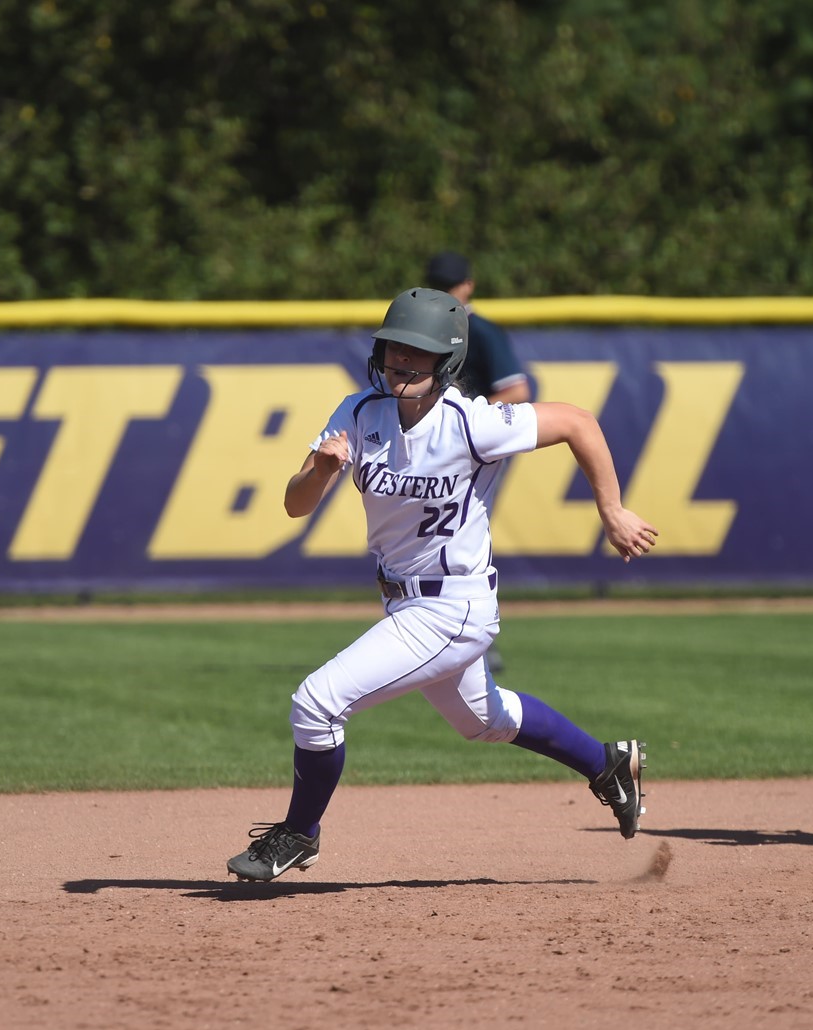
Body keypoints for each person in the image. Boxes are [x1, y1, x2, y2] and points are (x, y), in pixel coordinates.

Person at [226, 287, 659, 881]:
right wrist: (322, 468)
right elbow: (295, 506)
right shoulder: (358, 411)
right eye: (394, 348)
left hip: (453, 606)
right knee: (485, 721)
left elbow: (578, 423)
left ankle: (299, 833)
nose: (403, 361)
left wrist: (612, 510)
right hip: (403, 602)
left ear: (446, 362)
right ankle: (607, 764)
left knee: (317, 703)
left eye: (420, 353)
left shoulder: (472, 422)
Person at [425, 250, 532, 673]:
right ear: (467, 284)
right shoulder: (470, 328)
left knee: (460, 540)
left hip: (471, 451)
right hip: (437, 448)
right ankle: (450, 635)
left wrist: (465, 420)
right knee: (442, 541)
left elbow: (516, 392)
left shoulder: (474, 331)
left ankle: (477, 641)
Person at [424, 251, 532, 404]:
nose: (442, 293)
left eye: (449, 286)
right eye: (436, 286)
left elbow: (517, 392)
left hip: (469, 424)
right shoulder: (424, 329)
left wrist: (471, 417)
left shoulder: (482, 331)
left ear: (468, 285)